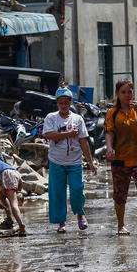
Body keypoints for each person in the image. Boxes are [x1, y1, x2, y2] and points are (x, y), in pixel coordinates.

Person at [105, 80, 137, 236]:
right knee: (120, 195)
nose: (127, 95)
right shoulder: (112, 113)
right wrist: (109, 148)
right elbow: (109, 132)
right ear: (118, 95)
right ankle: (121, 225)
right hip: (120, 160)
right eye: (123, 92)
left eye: (130, 92)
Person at [43, 88, 96, 233]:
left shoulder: (78, 119)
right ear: (57, 103)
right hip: (56, 161)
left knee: (77, 190)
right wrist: (67, 134)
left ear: (70, 103)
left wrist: (90, 162)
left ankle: (80, 214)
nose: (63, 105)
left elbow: (83, 141)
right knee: (58, 192)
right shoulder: (51, 118)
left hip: (75, 162)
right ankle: (61, 222)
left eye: (66, 103)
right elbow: (49, 135)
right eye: (61, 103)